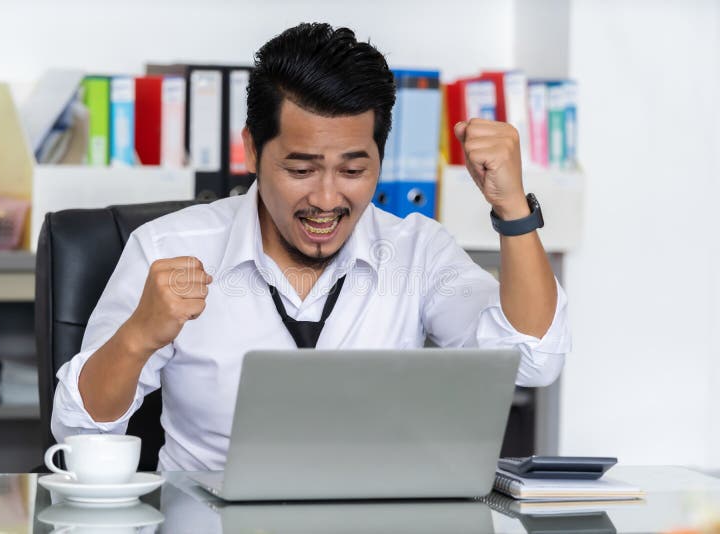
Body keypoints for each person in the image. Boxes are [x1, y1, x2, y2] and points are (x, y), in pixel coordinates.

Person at [52, 22, 571, 471]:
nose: (326, 199)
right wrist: (139, 335)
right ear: (252, 149)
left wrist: (513, 210)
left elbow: (534, 360)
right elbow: (79, 431)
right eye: (301, 170)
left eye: (353, 169)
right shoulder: (167, 246)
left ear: (380, 157)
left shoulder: (417, 251)